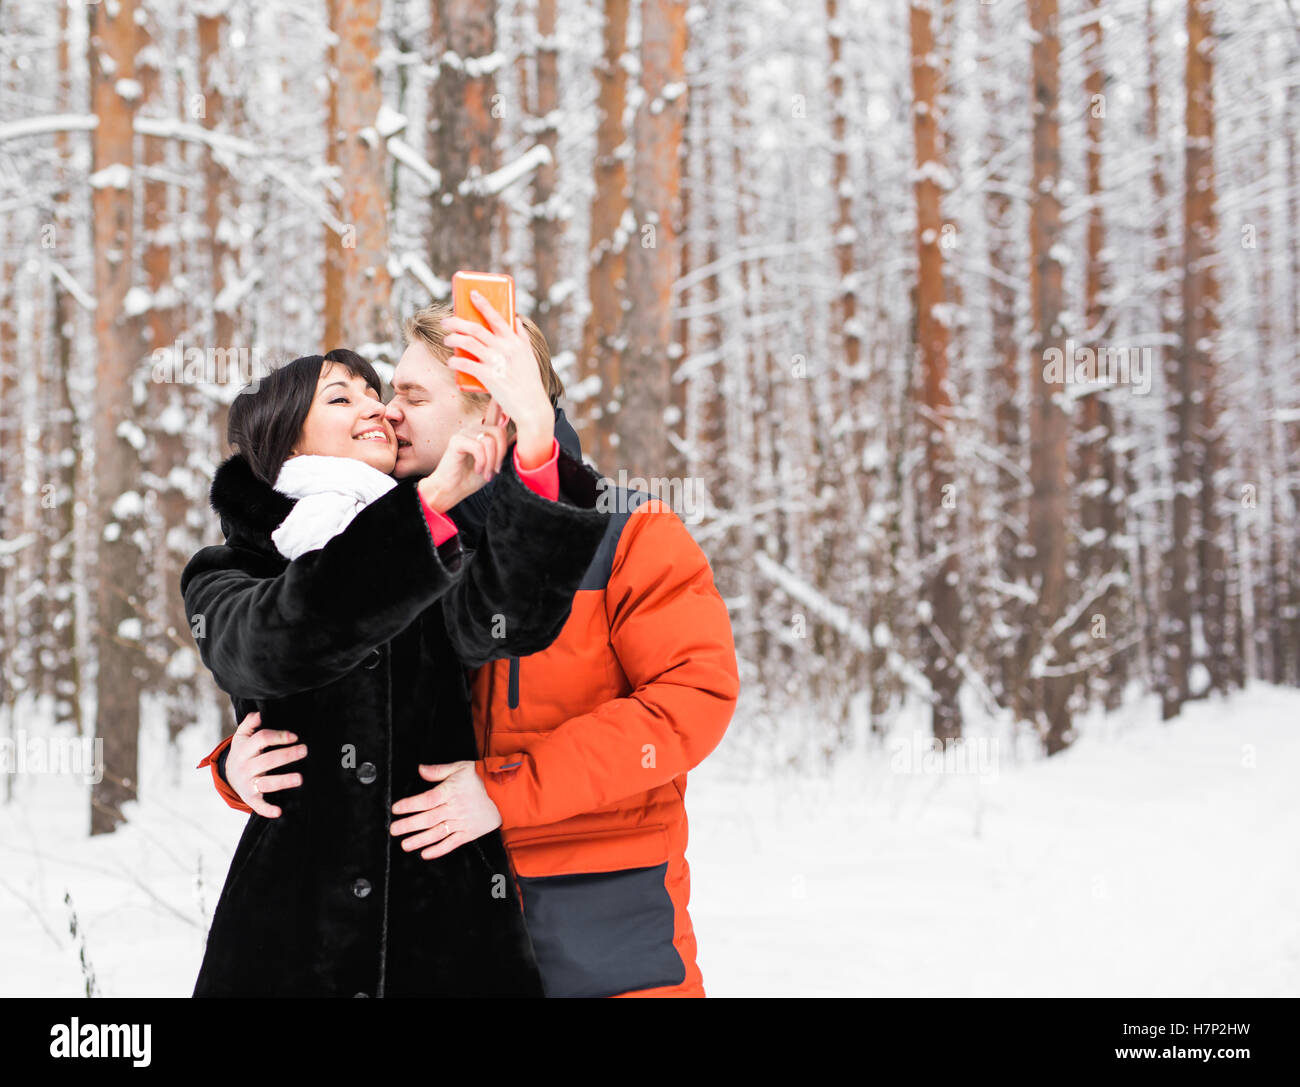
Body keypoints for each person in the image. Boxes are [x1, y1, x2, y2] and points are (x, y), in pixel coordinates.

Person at [205, 302, 740, 997]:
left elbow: (688, 704)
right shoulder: (392, 541)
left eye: (411, 395)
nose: (388, 411)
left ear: (490, 412)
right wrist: (238, 763)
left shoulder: (629, 533)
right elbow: (340, 687)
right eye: (383, 392)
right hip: (437, 943)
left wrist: (505, 788)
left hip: (596, 928)